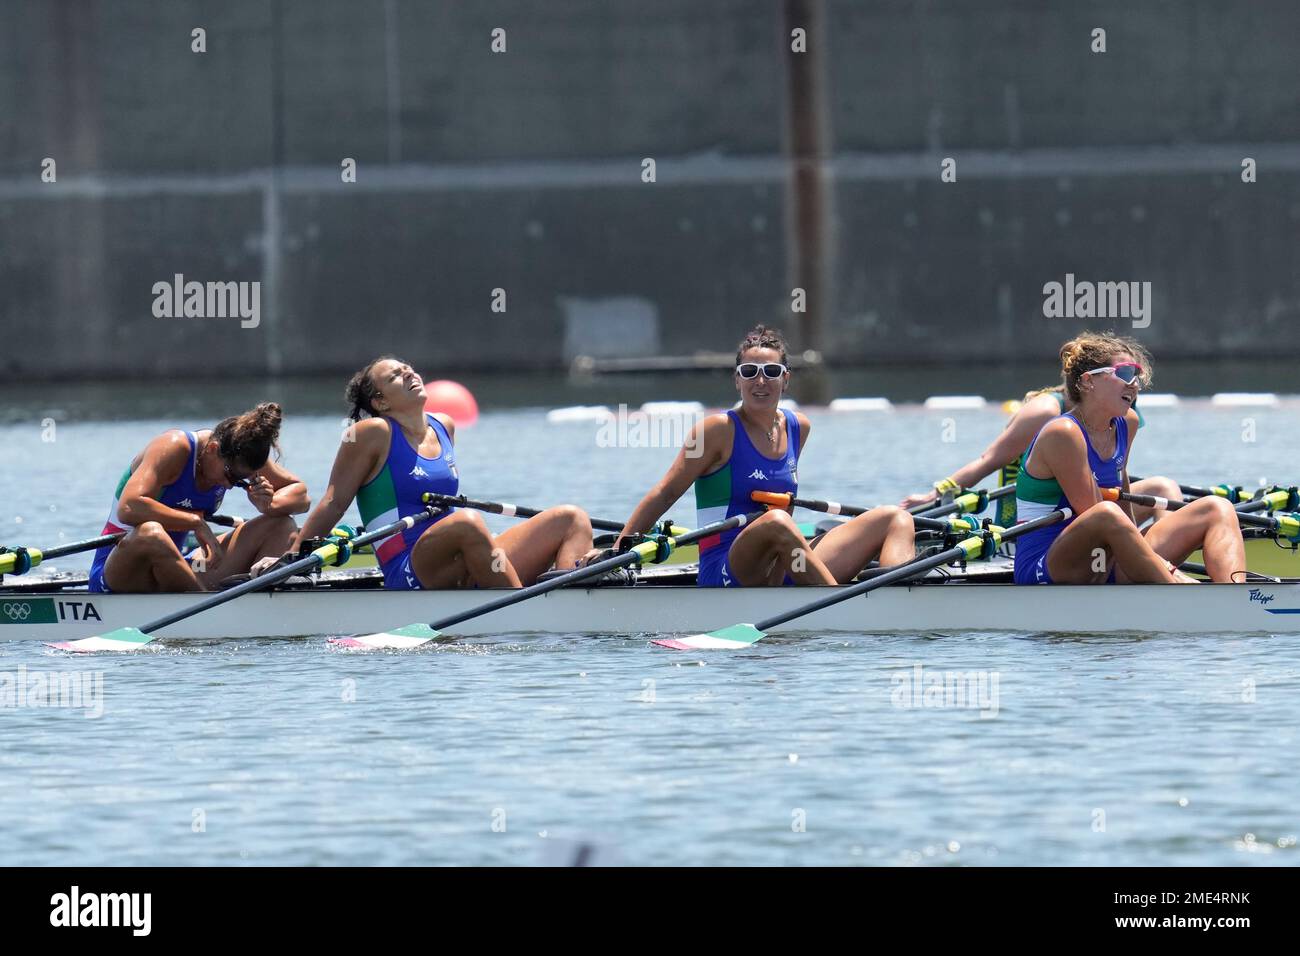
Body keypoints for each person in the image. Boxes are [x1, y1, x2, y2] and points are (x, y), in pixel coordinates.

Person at [591, 325, 915, 586]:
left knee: (894, 517)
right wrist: (619, 549)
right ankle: (840, 606)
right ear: (737, 380)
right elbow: (665, 492)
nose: (760, 380)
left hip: (783, 562)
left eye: (771, 371)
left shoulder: (797, 426)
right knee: (776, 520)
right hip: (727, 567)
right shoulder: (716, 431)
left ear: (785, 380)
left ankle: (901, 598)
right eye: (750, 371)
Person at [268, 356, 592, 588]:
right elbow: (334, 502)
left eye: (408, 368)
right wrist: (294, 555)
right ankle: (523, 608)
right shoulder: (372, 433)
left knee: (571, 518)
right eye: (395, 376)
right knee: (467, 523)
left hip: (462, 553)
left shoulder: (444, 426)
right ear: (380, 402)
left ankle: (567, 602)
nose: (409, 372)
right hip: (409, 566)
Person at [1012, 334, 1245, 584]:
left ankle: (1233, 598)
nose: (1134, 384)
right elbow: (1096, 514)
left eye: (1138, 376)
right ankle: (1179, 592)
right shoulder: (1063, 433)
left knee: (1217, 507)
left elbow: (1122, 501)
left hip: (1107, 556)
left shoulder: (1127, 423)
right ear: (1089, 381)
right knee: (1106, 513)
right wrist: (1169, 569)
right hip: (1048, 563)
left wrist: (1144, 558)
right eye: (1124, 374)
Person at [89, 402, 308, 592]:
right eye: (231, 476)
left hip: (181, 568)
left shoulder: (242, 458)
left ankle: (256, 604)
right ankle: (210, 613)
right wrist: (194, 522)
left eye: (241, 481)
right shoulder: (174, 447)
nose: (229, 486)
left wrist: (269, 505)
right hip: (122, 571)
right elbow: (129, 508)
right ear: (212, 449)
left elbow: (301, 495)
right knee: (151, 533)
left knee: (280, 523)